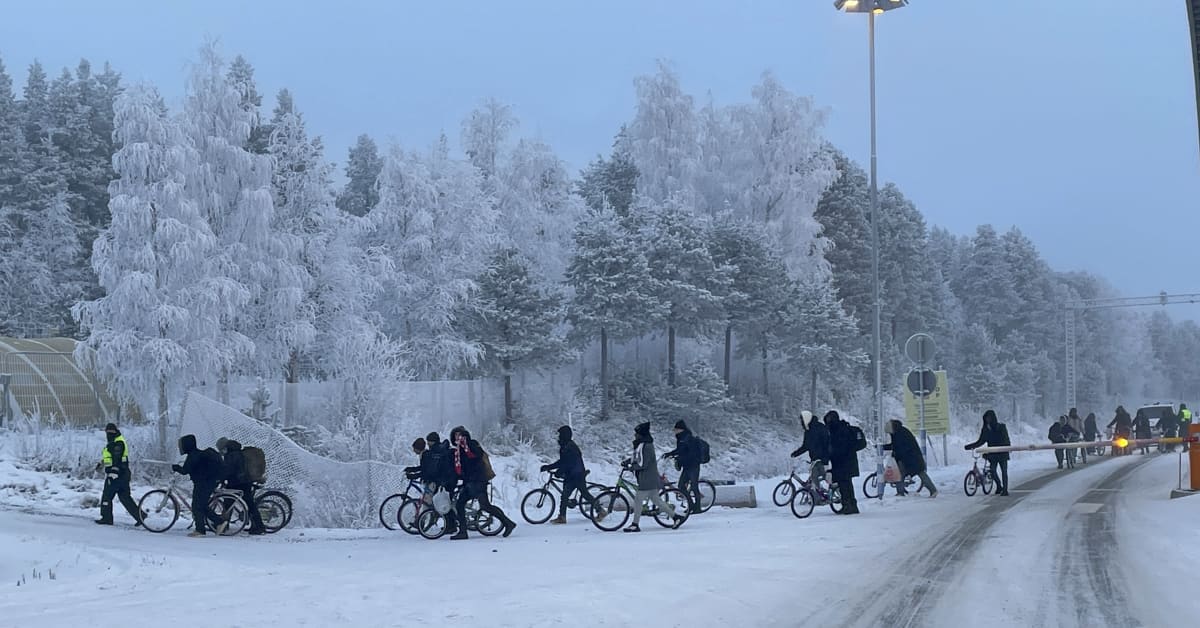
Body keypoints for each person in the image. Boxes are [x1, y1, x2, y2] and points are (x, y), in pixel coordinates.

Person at [449, 426, 516, 540]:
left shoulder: (470, 446)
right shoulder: (461, 449)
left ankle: (508, 523)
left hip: (477, 482)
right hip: (472, 482)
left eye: (458, 435)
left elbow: (475, 459)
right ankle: (507, 523)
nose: (456, 438)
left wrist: (467, 447)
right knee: (471, 505)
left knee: (483, 506)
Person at [623, 422, 682, 532]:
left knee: (638, 500)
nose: (635, 435)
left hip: (647, 478)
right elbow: (637, 458)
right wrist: (627, 462)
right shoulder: (642, 445)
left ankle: (635, 524)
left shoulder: (647, 446)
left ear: (641, 434)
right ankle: (676, 517)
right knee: (657, 501)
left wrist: (631, 467)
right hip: (648, 478)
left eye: (637, 433)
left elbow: (643, 464)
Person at [541, 425, 606, 523]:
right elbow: (562, 462)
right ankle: (599, 510)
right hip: (572, 474)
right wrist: (549, 467)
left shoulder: (569, 447)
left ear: (564, 435)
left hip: (576, 475)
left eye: (560, 435)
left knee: (567, 495)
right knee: (580, 494)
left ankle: (563, 517)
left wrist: (558, 472)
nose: (559, 437)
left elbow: (567, 463)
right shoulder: (566, 446)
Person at [171, 434, 223, 537]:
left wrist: (175, 467)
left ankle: (202, 529)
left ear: (187, 445)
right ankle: (218, 522)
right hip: (206, 482)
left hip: (204, 483)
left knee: (197, 506)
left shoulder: (193, 456)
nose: (180, 448)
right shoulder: (196, 454)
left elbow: (185, 470)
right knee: (200, 505)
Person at [95, 423, 144, 526]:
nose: (108, 434)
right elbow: (111, 457)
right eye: (107, 432)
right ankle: (140, 516)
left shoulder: (118, 443)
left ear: (114, 431)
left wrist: (114, 472)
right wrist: (102, 464)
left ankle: (106, 518)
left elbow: (117, 458)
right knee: (125, 498)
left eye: (110, 432)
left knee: (107, 496)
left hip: (117, 475)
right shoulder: (115, 441)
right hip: (124, 474)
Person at [216, 438, 265, 535]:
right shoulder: (237, 452)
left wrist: (219, 478)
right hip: (244, 482)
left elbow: (228, 470)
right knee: (246, 504)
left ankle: (259, 527)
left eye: (221, 449)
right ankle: (257, 526)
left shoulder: (231, 455)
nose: (221, 452)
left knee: (230, 503)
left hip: (238, 483)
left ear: (225, 447)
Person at [882, 420, 937, 498]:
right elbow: (896, 446)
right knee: (918, 473)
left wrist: (895, 454)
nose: (889, 434)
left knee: (914, 473)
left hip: (911, 458)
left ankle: (932, 490)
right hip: (911, 458)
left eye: (889, 432)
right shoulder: (900, 431)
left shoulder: (899, 434)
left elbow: (899, 447)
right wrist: (884, 447)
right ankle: (932, 490)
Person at [965, 410, 1011, 496]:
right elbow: (981, 441)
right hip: (993, 453)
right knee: (992, 471)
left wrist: (1007, 448)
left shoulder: (1001, 427)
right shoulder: (986, 429)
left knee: (1004, 471)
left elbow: (1006, 440)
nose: (987, 420)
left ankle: (1005, 489)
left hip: (1002, 452)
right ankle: (999, 485)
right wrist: (971, 446)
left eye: (989, 418)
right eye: (986, 418)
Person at [662, 420, 703, 514]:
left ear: (681, 429)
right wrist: (670, 454)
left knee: (694, 486)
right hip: (687, 466)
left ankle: (697, 507)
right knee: (681, 486)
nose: (675, 431)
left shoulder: (689, 439)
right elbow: (679, 450)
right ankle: (691, 505)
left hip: (693, 465)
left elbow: (691, 454)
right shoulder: (680, 438)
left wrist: (680, 458)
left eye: (676, 429)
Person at [825, 411, 861, 515]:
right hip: (846, 462)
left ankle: (848, 506)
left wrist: (832, 454)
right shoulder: (841, 428)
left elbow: (840, 447)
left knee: (844, 485)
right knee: (846, 484)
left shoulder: (839, 430)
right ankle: (851, 506)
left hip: (843, 462)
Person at [424, 432, 460, 535]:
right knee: (445, 502)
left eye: (429, 441)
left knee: (444, 502)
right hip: (448, 480)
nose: (427, 443)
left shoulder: (437, 453)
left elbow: (436, 469)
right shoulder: (441, 451)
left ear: (432, 441)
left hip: (445, 481)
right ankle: (450, 524)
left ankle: (451, 526)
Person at [791, 411, 830, 492]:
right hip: (814, 459)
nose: (801, 422)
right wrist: (796, 453)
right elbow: (806, 446)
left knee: (816, 477)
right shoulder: (808, 431)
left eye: (802, 420)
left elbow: (827, 443)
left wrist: (826, 458)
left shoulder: (820, 428)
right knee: (815, 478)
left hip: (821, 459)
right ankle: (817, 495)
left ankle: (819, 496)